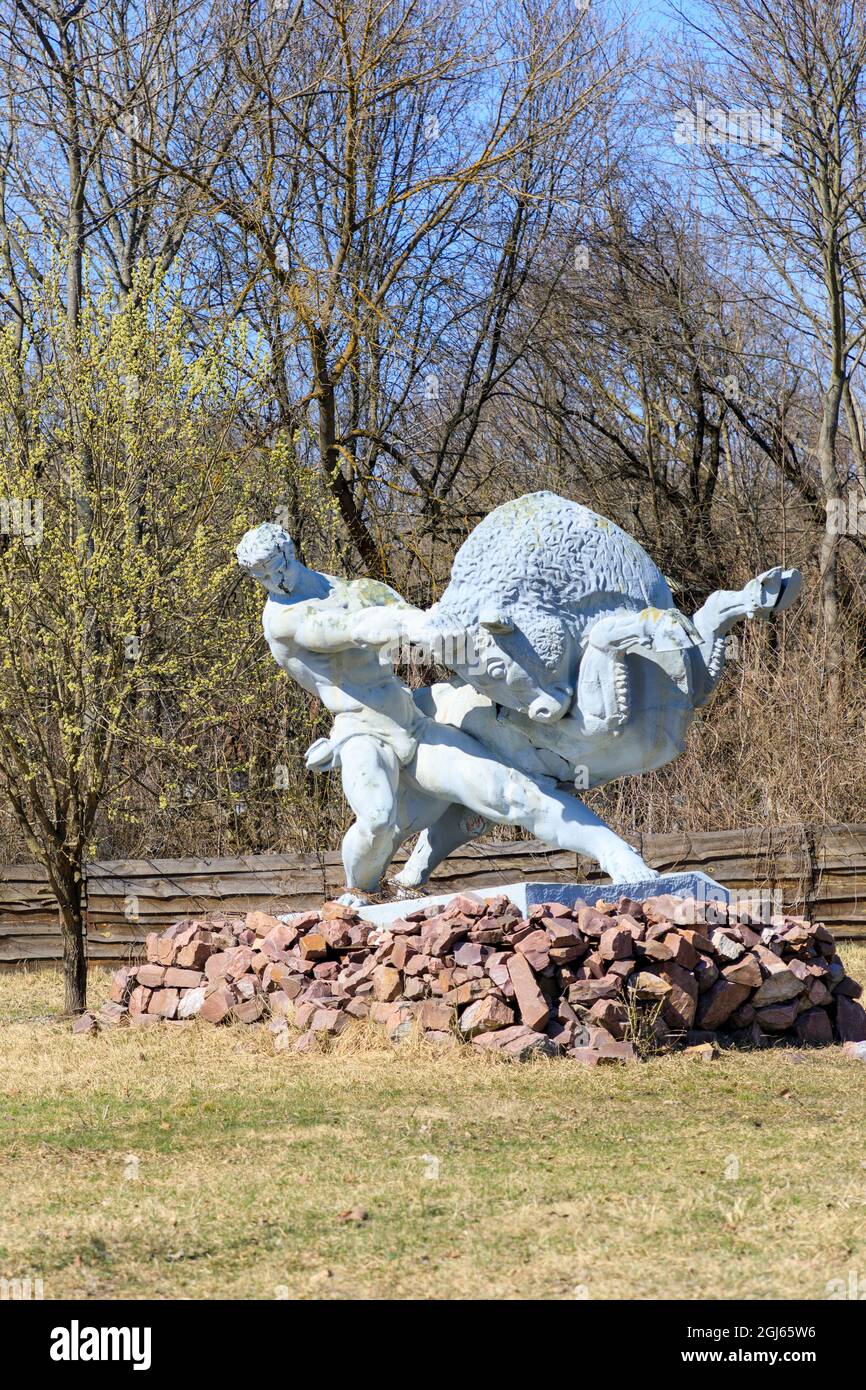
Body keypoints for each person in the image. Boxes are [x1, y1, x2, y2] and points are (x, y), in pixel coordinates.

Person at [237, 523, 656, 899]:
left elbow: (403, 615)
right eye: (261, 577)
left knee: (512, 792)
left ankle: (617, 855)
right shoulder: (282, 619)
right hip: (360, 731)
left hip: (412, 723)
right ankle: (361, 894)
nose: (274, 580)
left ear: (290, 551)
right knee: (379, 820)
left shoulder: (352, 589)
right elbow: (347, 631)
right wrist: (412, 625)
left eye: (276, 567)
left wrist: (444, 623)